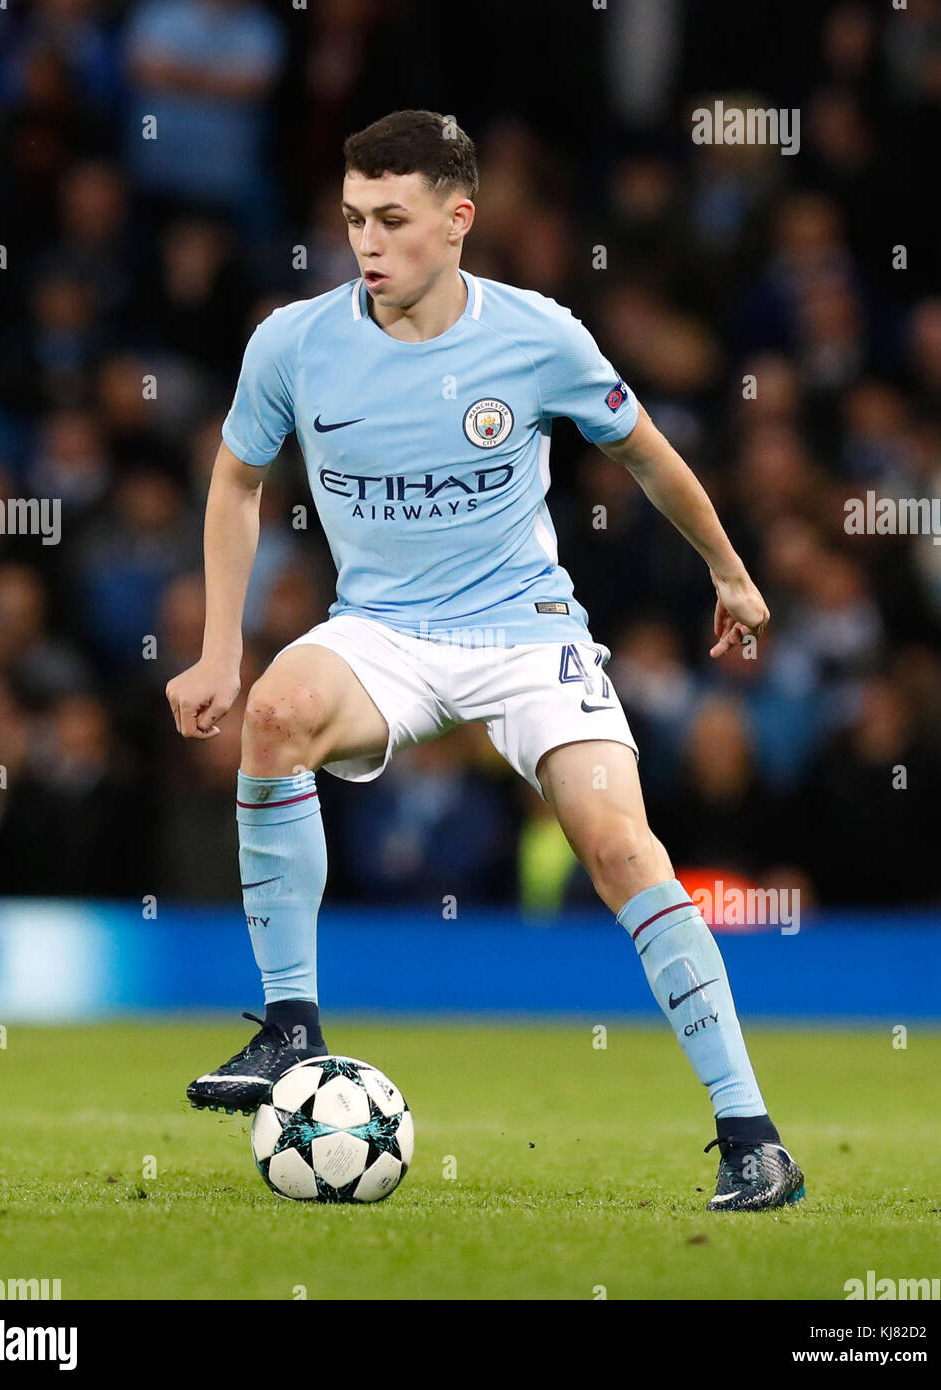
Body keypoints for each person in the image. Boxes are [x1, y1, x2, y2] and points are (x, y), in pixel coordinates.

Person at [165, 110, 804, 1211]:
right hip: (381, 631)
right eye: (354, 218)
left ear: (457, 221)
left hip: (525, 631)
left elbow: (648, 456)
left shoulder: (537, 336)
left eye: (393, 220)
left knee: (617, 844)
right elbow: (234, 482)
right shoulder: (293, 341)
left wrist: (732, 574)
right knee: (275, 711)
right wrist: (219, 648)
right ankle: (289, 1028)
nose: (367, 242)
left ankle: (752, 1136)